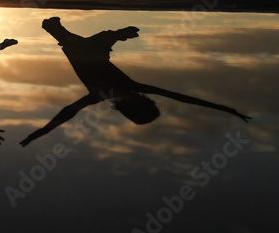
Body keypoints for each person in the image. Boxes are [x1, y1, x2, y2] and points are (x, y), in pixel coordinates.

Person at [19, 17, 251, 146]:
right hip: (93, 51)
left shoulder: (105, 94)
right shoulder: (119, 91)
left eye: (144, 104)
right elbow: (182, 97)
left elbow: (69, 111)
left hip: (82, 51)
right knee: (83, 39)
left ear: (137, 105)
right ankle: (115, 34)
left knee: (59, 31)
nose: (143, 99)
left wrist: (43, 131)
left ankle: (105, 33)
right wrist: (225, 109)